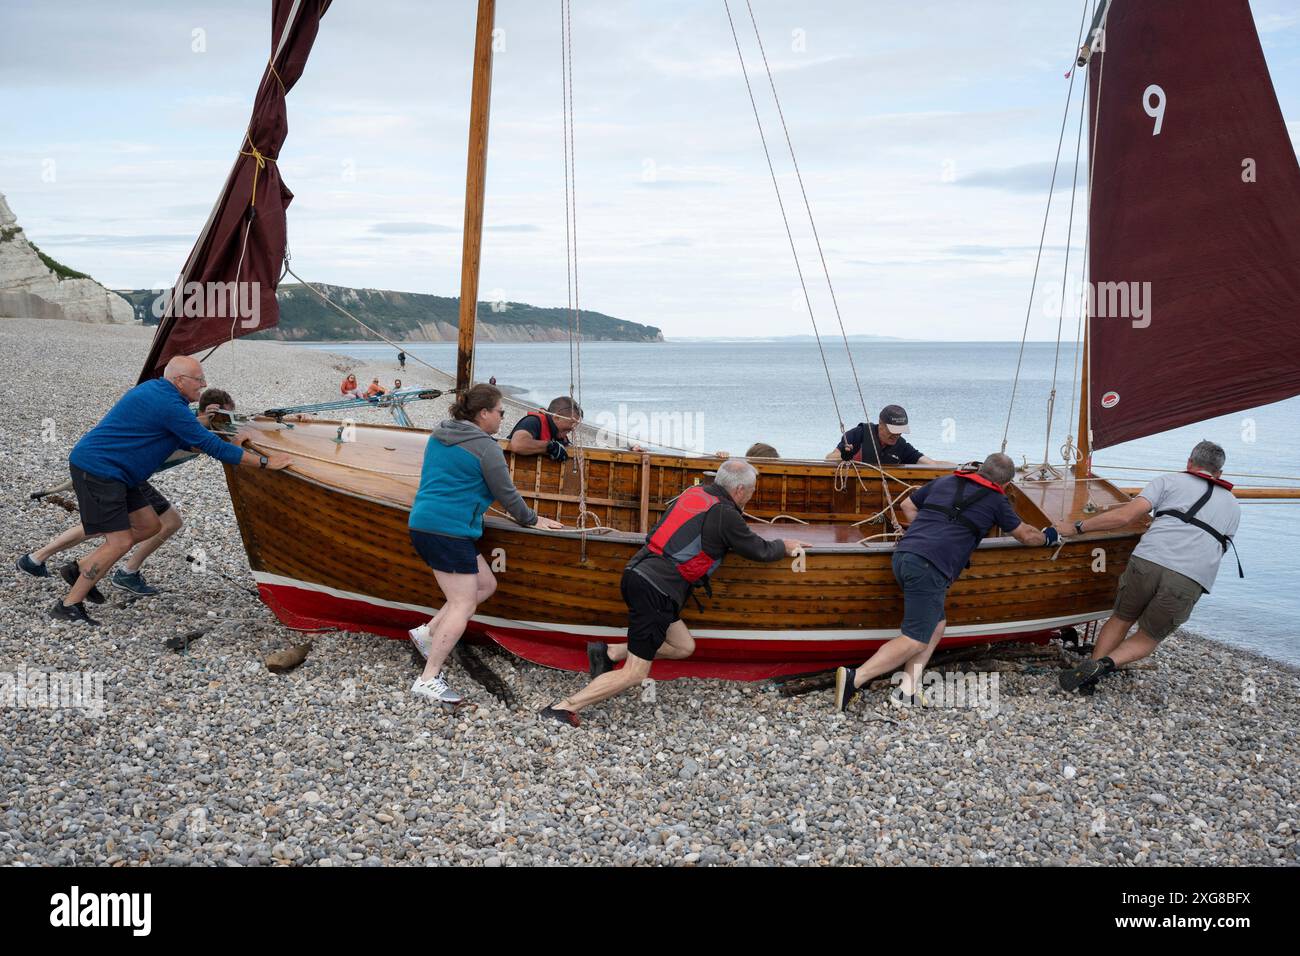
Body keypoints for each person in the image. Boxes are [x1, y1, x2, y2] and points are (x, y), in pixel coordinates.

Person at [540, 458, 810, 726]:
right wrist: (784, 546)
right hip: (656, 590)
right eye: (751, 492)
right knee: (636, 673)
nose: (750, 498)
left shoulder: (694, 493)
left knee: (683, 646)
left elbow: (658, 534)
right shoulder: (725, 514)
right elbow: (758, 549)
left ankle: (609, 653)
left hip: (639, 574)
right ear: (739, 490)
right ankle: (563, 707)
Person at [42, 357, 289, 625]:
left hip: (122, 473)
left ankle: (79, 569)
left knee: (149, 525)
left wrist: (233, 440)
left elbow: (191, 441)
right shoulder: (167, 404)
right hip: (100, 470)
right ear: (179, 380)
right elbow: (209, 446)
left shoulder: (165, 397)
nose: (204, 385)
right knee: (120, 541)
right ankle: (68, 605)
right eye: (199, 379)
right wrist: (265, 462)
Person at [833, 453, 1058, 711]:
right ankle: (855, 678)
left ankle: (907, 690)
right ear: (1006, 484)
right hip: (929, 566)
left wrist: (928, 533)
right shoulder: (997, 499)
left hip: (905, 556)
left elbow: (907, 505)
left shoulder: (945, 481)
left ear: (980, 469)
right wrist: (1049, 537)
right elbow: (1025, 535)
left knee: (937, 625)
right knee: (915, 638)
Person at [407, 383, 564, 705]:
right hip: (447, 531)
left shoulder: (440, 433)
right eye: (500, 412)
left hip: (427, 523)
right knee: (463, 603)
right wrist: (533, 520)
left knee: (485, 583)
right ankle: (428, 678)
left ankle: (426, 634)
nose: (503, 418)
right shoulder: (486, 448)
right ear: (483, 413)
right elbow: (507, 495)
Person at [1055, 440, 1242, 693]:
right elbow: (1220, 549)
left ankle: (1091, 670)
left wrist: (1078, 527)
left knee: (1121, 618)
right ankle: (1105, 665)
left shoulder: (1168, 481)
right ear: (1219, 473)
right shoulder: (1233, 505)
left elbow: (1125, 517)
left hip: (1148, 561)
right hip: (1188, 577)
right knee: (1148, 637)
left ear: (1189, 462)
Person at [16, 388, 237, 599]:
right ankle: (121, 573)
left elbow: (222, 434)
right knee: (121, 526)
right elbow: (206, 444)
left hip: (129, 472)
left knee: (110, 525)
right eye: (225, 417)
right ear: (209, 411)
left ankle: (37, 559)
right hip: (122, 473)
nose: (228, 422)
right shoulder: (186, 424)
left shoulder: (192, 420)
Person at [826, 404, 950, 467]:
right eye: (893, 430)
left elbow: (931, 464)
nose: (897, 434)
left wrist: (963, 467)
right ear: (881, 424)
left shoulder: (902, 446)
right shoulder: (859, 434)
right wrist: (844, 456)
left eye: (900, 430)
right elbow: (829, 458)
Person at [508, 396, 582, 462]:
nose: (573, 429)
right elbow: (518, 444)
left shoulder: (560, 435)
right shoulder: (533, 422)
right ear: (557, 417)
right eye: (571, 424)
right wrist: (550, 447)